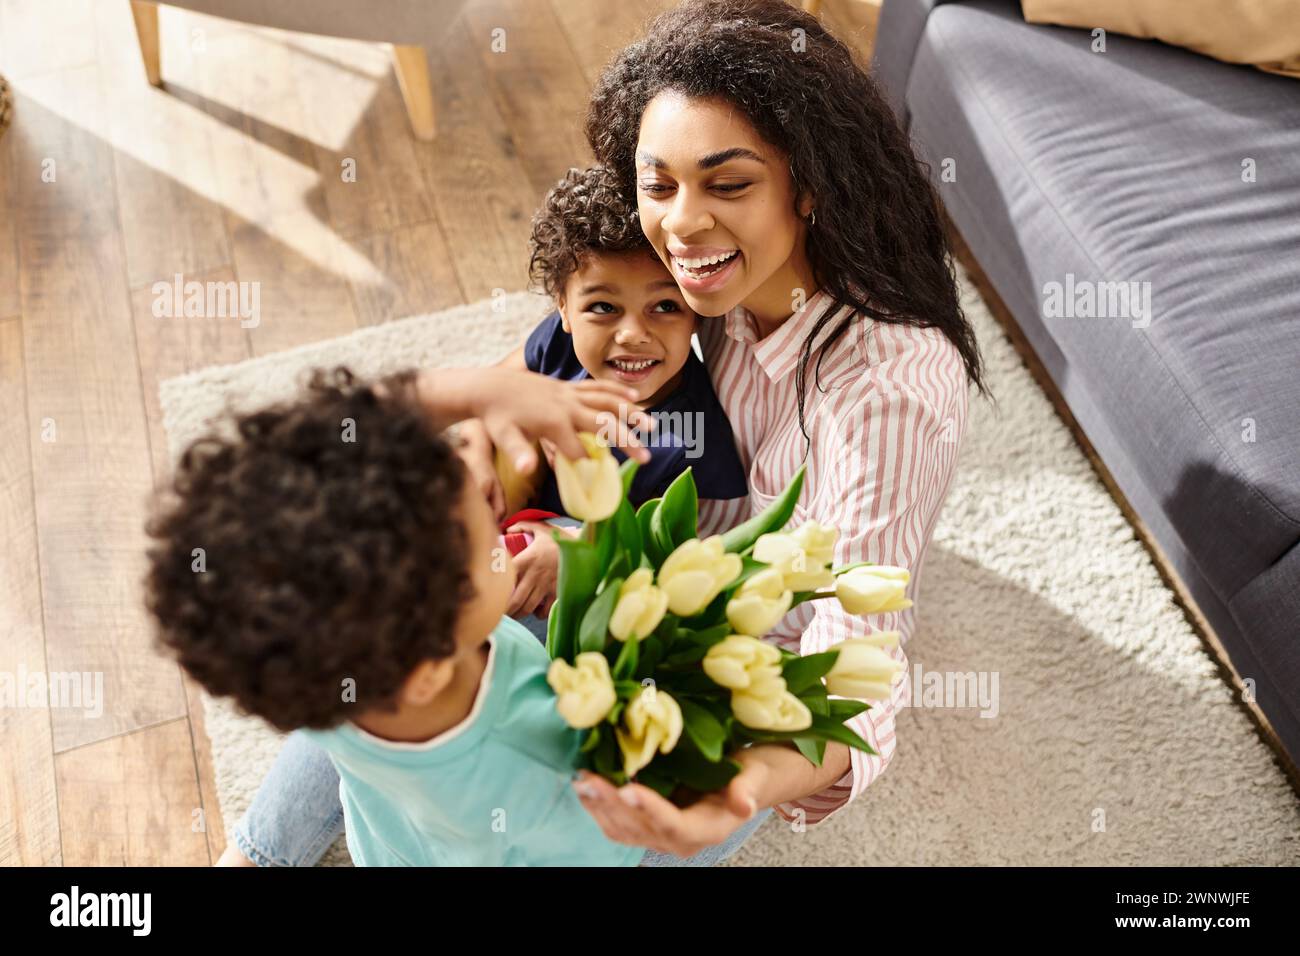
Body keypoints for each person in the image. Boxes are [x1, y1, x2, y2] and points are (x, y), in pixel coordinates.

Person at [456, 164, 748, 627]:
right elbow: (492, 389)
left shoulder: (694, 442)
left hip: (583, 578)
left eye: (665, 306)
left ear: (697, 313)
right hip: (511, 513)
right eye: (603, 308)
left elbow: (682, 568)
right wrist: (473, 443)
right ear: (563, 310)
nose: (633, 334)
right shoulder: (558, 342)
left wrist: (575, 553)